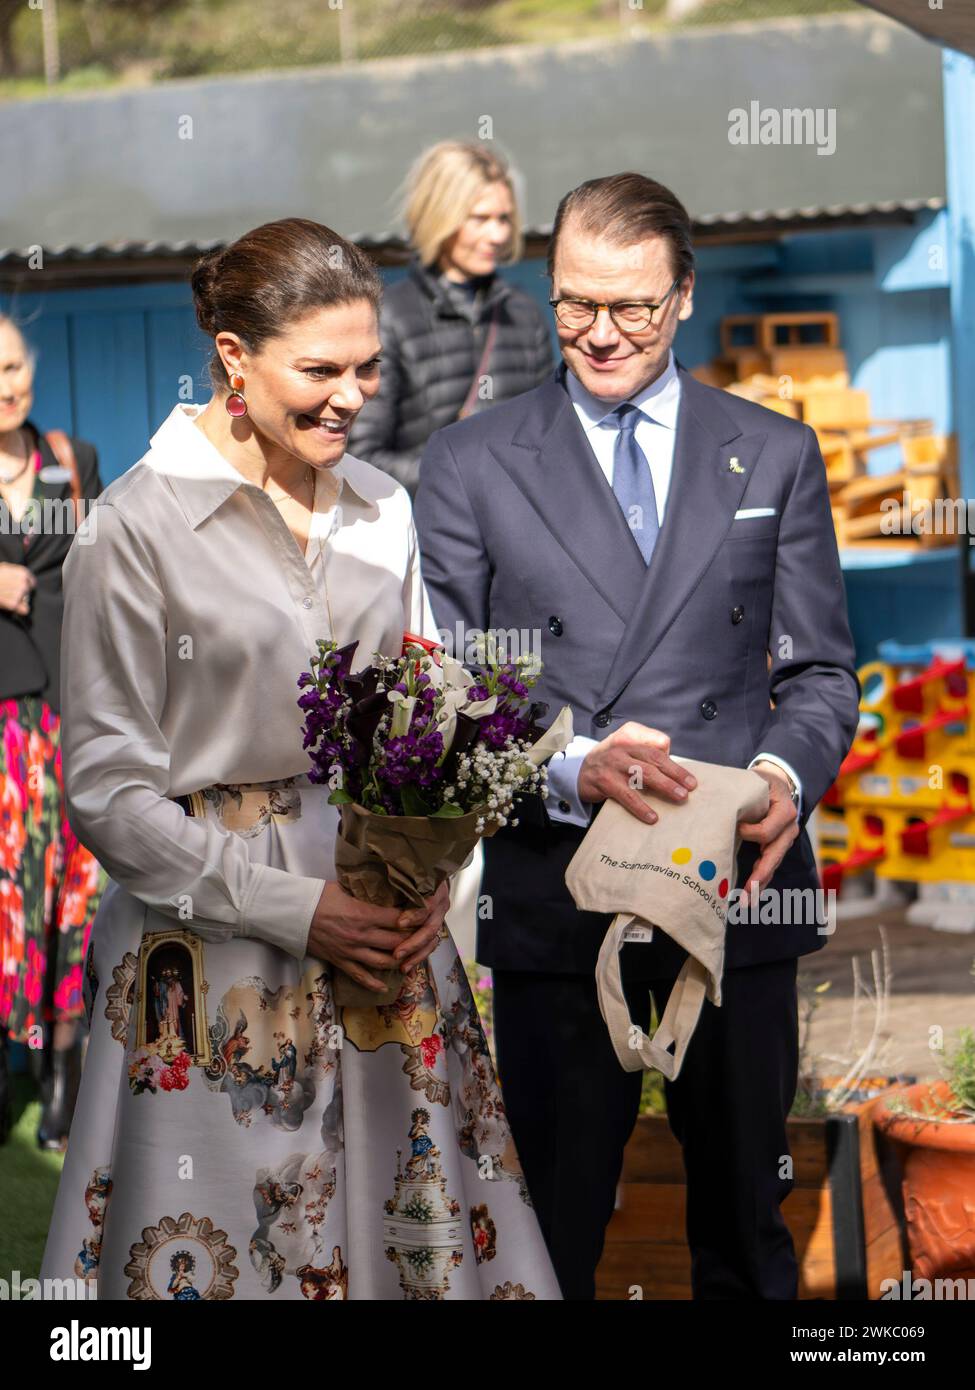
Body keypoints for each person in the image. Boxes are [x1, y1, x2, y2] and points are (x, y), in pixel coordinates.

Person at [40, 218, 560, 1302]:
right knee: (223, 1252)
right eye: (320, 370)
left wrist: (435, 887)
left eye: (368, 367)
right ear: (233, 357)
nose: (353, 396)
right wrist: (293, 908)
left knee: (403, 1246)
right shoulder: (131, 529)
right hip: (211, 965)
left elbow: (429, 721)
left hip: (388, 940)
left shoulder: (386, 508)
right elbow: (106, 790)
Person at [415, 173, 861, 1300]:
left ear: (686, 296)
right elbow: (453, 686)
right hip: (559, 896)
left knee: (747, 1232)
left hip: (737, 891)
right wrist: (570, 764)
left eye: (634, 309)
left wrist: (777, 778)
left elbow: (818, 672)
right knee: (549, 1235)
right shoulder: (470, 464)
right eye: (574, 304)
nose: (600, 334)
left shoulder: (775, 451)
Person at [0, 313, 106, 1151]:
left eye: (14, 366)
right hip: (1, 725)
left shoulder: (72, 464)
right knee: (7, 898)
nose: (9, 385)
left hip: (70, 714)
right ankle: (15, 1065)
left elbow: (108, 571)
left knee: (73, 893)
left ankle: (62, 1071)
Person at [346, 141, 555, 497]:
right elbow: (361, 459)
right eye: (480, 219)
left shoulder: (523, 314)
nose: (498, 235)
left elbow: (549, 437)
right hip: (432, 536)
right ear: (440, 217)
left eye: (503, 218)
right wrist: (468, 472)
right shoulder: (389, 318)